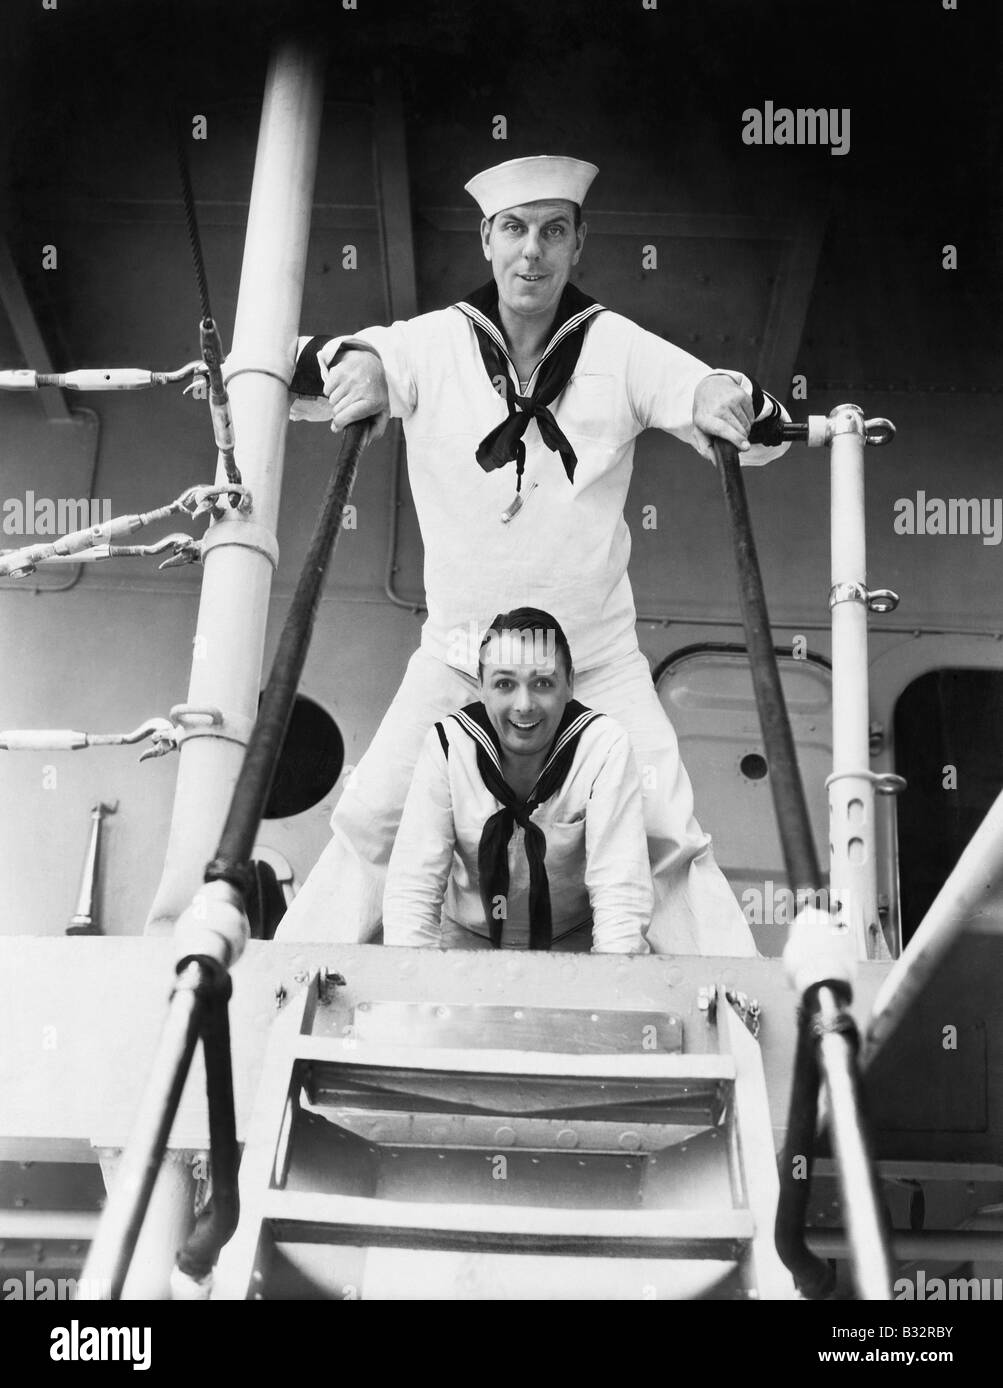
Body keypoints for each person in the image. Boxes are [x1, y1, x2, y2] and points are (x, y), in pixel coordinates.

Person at [277, 154, 790, 954]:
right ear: (486, 240)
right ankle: (269, 1005)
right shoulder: (434, 343)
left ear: (578, 244)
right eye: (514, 230)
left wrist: (720, 397)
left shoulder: (618, 348)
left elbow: (733, 411)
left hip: (596, 661)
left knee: (668, 840)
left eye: (554, 232)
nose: (532, 253)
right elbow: (321, 360)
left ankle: (746, 1020)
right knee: (371, 822)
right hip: (456, 658)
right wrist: (363, 369)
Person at [383, 608, 652, 954]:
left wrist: (611, 986)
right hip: (466, 938)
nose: (524, 705)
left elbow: (621, 890)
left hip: (572, 941)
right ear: (481, 688)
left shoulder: (603, 747)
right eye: (505, 684)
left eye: (542, 683)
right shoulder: (448, 745)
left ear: (570, 684)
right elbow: (414, 884)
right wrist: (413, 986)